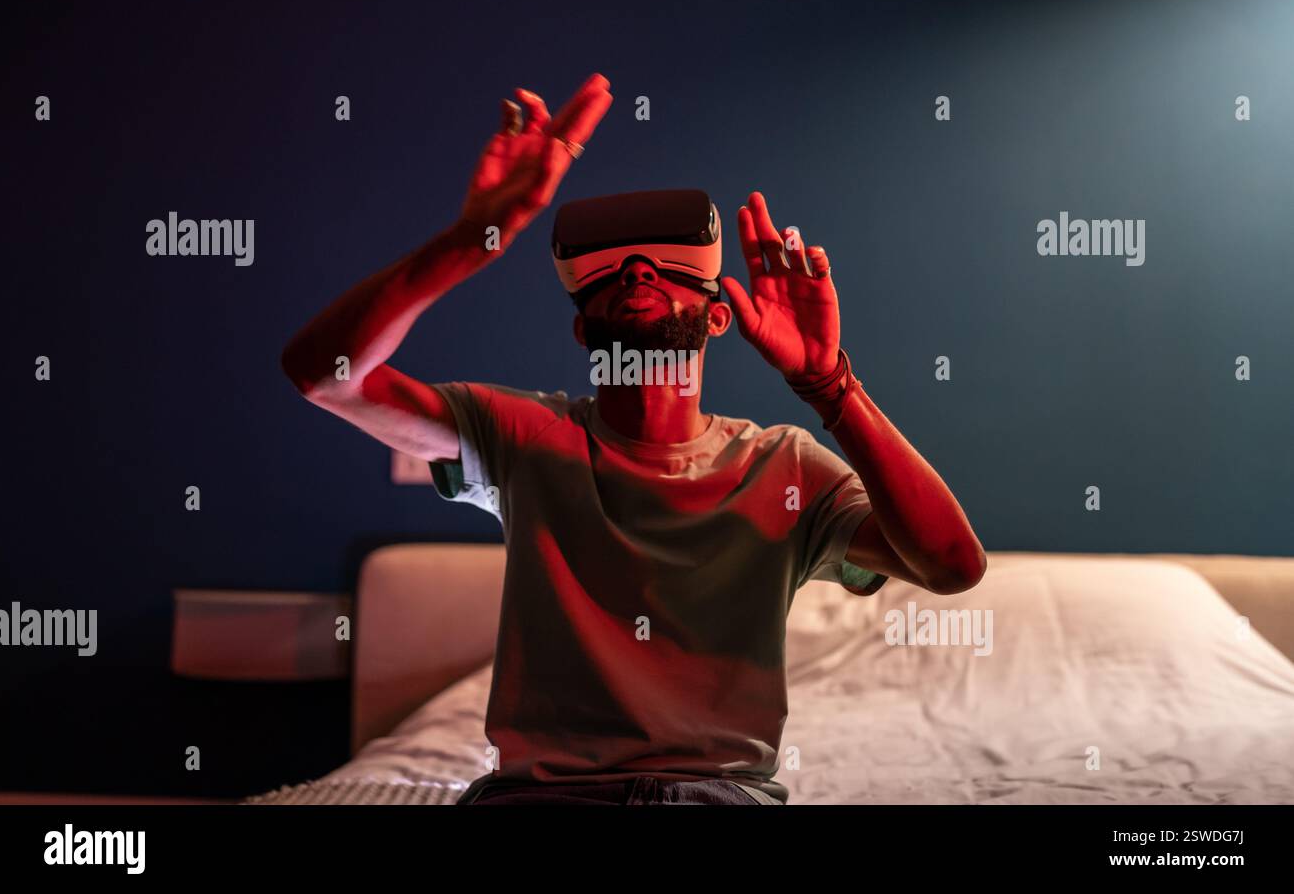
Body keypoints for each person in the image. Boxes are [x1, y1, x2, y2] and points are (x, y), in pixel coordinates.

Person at [280, 72, 987, 805]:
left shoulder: (785, 467)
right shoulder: (522, 436)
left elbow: (951, 566)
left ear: (718, 319)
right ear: (585, 329)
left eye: (666, 264)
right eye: (610, 269)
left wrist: (831, 387)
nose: (639, 269)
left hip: (720, 796)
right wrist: (471, 239)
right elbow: (325, 376)